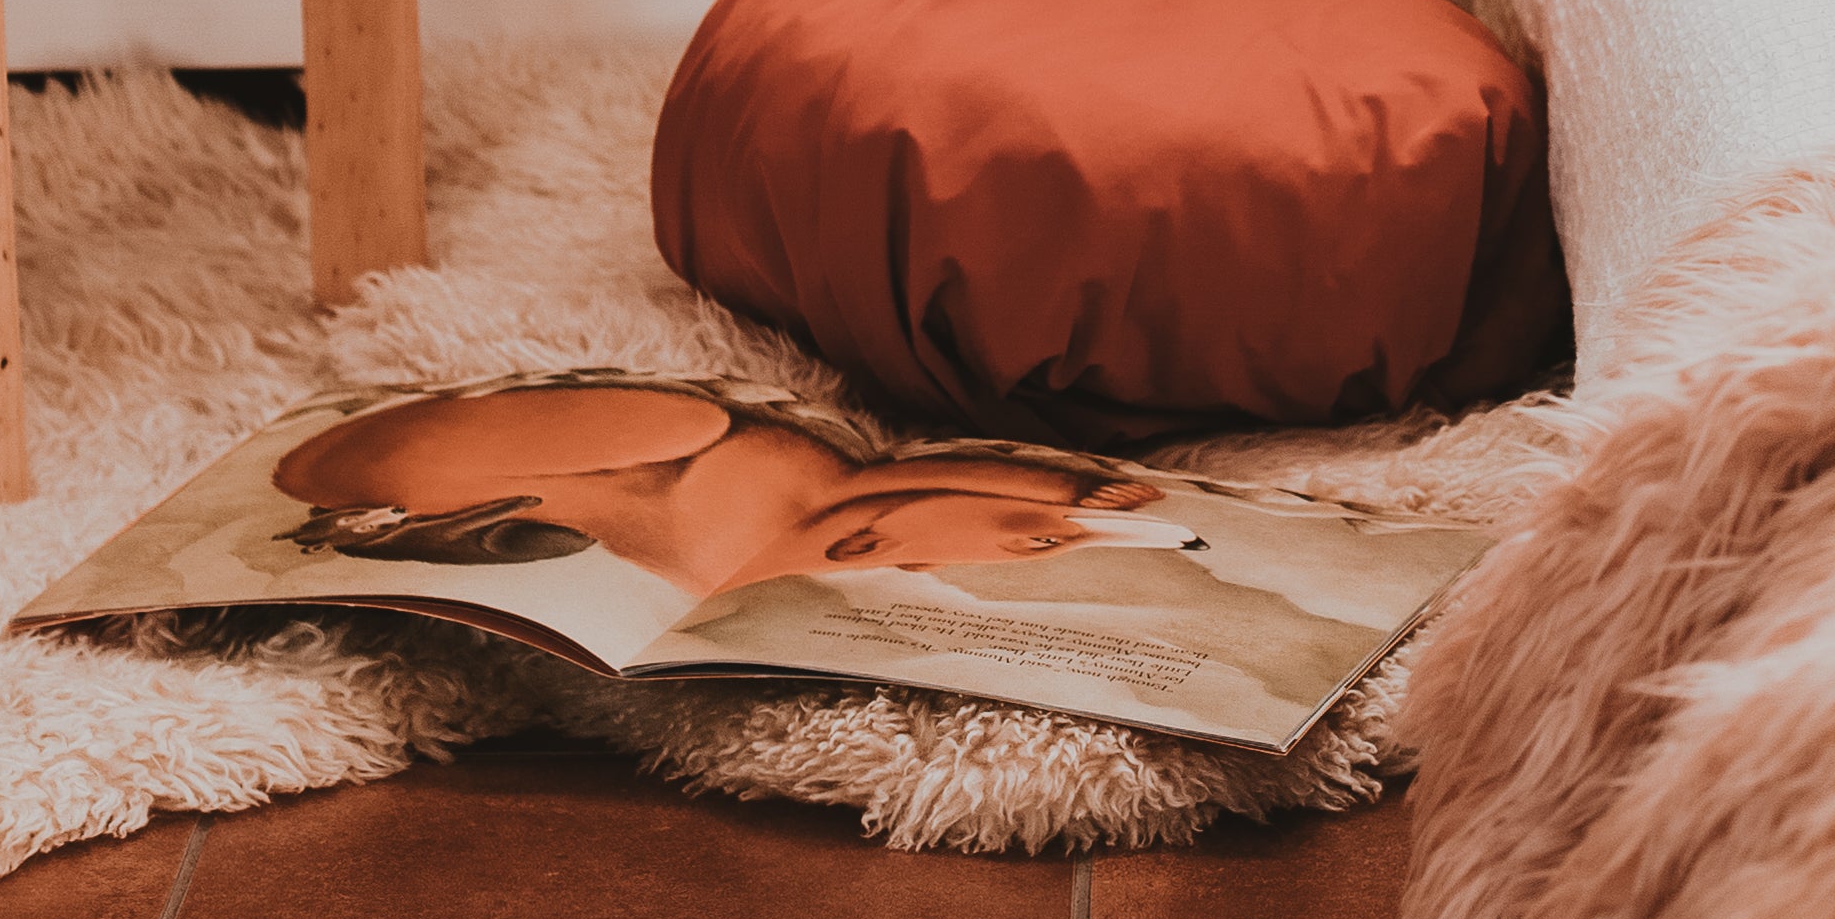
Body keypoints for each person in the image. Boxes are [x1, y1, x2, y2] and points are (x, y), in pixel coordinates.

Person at [271, 376, 1171, 600]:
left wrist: (1069, 505)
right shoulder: (832, 497)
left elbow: (916, 486)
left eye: (1036, 536)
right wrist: (1070, 491)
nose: (1046, 524)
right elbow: (921, 478)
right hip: (684, 463)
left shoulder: (835, 537)